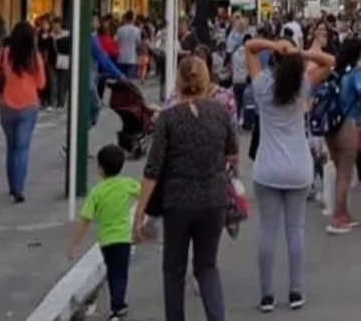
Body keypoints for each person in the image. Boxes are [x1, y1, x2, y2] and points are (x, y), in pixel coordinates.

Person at [134, 56, 238, 321]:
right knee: (207, 267)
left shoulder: (168, 119)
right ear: (206, 80)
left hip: (178, 202)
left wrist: (140, 212)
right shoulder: (221, 114)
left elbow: (153, 168)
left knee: (173, 270)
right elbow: (233, 155)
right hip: (213, 200)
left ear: (178, 82)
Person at [246, 37, 332, 312]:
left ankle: (266, 295)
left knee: (268, 232)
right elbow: (329, 62)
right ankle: (295, 291)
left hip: (267, 168)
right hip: (297, 167)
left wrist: (274, 46)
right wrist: (300, 52)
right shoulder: (302, 85)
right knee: (295, 230)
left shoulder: (262, 85)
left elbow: (249, 48)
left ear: (274, 58)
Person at [68, 145, 141, 321]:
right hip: (123, 238)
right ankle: (117, 306)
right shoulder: (126, 184)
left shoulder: (96, 192)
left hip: (106, 241)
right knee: (120, 273)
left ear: (101, 169)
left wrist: (75, 243)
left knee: (112, 271)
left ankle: (117, 304)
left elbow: (86, 219)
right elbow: (143, 192)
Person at [0, 22, 46, 203]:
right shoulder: (34, 57)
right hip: (28, 105)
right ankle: (18, 188)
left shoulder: (5, 53)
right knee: (22, 148)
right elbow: (41, 84)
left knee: (11, 147)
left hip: (6, 105)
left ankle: (12, 185)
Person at [326, 37, 361, 235]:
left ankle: (343, 212)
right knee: (345, 174)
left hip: (331, 122)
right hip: (349, 122)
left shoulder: (334, 72)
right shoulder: (355, 73)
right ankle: (339, 216)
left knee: (339, 171)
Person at [115, 11, 142, 80]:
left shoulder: (120, 29)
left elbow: (115, 42)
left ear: (125, 18)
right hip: (132, 57)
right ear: (133, 19)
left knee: (121, 80)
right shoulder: (137, 30)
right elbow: (138, 43)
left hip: (121, 57)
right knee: (130, 80)